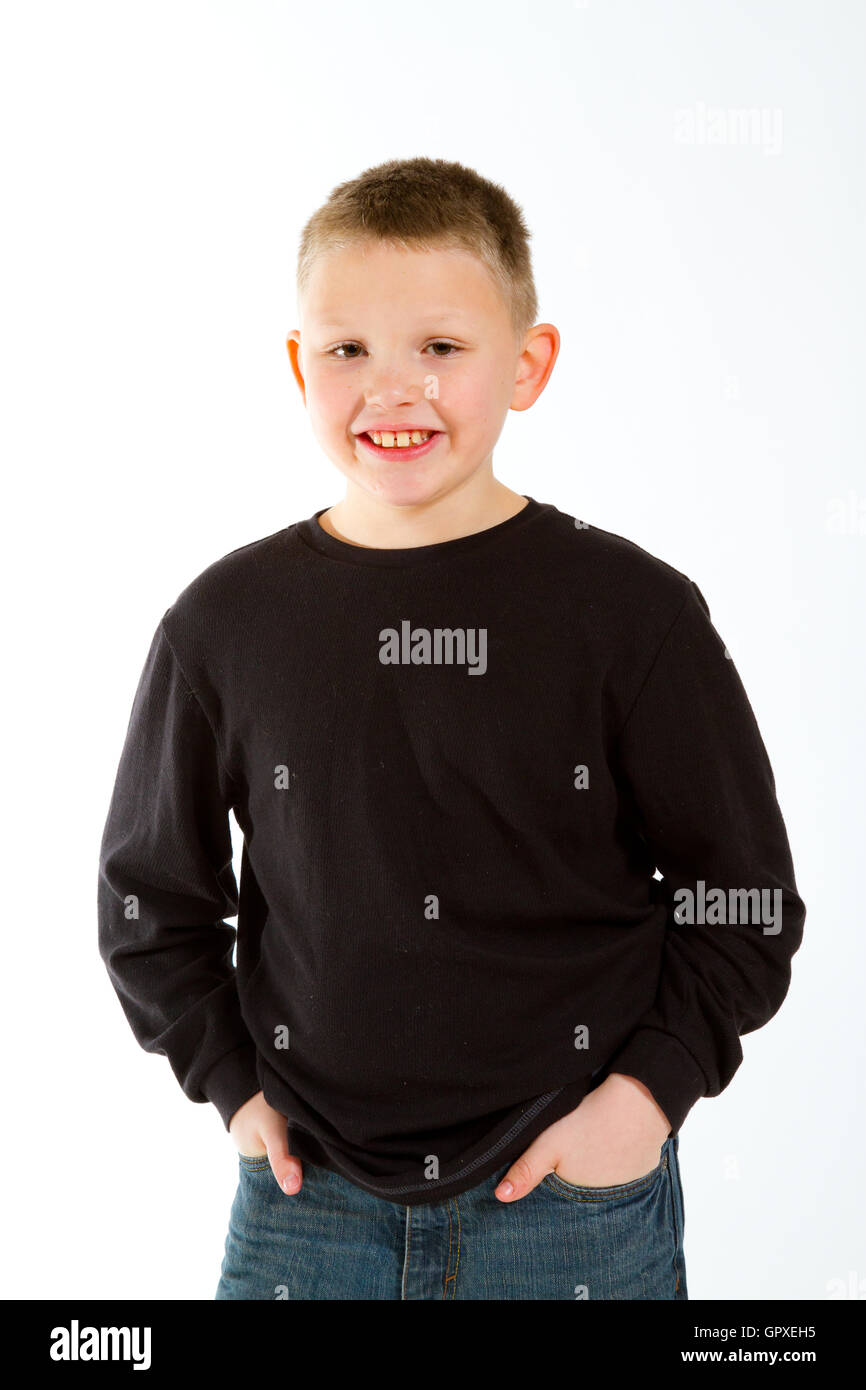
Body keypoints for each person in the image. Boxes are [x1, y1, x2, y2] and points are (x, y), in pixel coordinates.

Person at [97, 156, 806, 1300]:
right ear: (297, 365)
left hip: (569, 1207)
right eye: (347, 351)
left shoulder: (630, 613)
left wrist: (639, 1103)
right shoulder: (223, 622)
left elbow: (743, 900)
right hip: (305, 1203)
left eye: (438, 348)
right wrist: (234, 1089)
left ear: (526, 365)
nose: (392, 390)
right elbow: (151, 900)